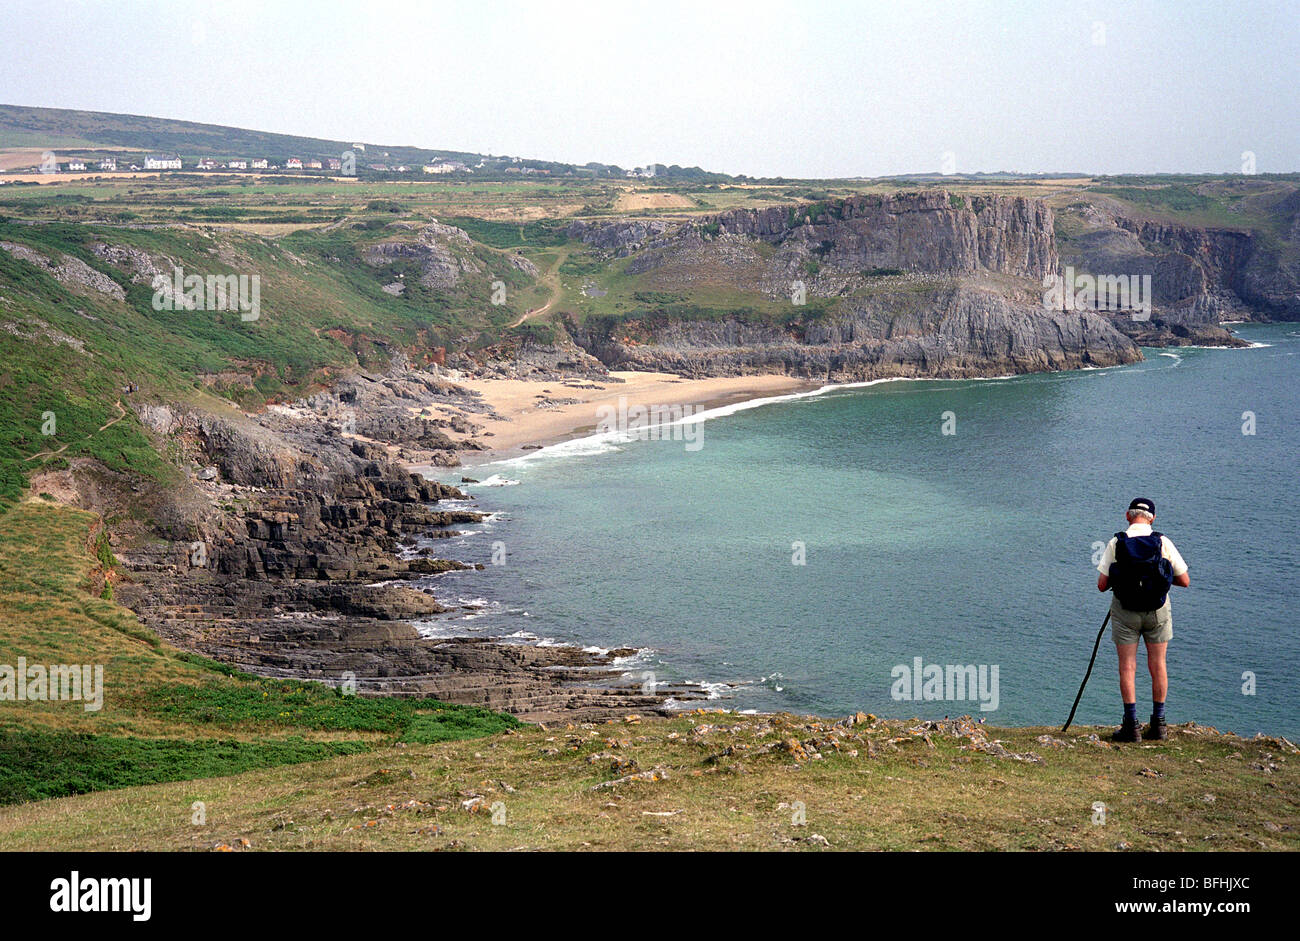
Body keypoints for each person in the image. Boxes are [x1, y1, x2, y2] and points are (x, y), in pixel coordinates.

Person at [1095, 497, 1190, 742]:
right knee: (1158, 664)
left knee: (1127, 666)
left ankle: (1131, 726)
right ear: (1153, 518)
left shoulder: (1117, 542)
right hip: (1157, 611)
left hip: (1125, 611)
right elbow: (1185, 580)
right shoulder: (1162, 542)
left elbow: (1102, 585)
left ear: (1128, 516)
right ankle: (1158, 724)